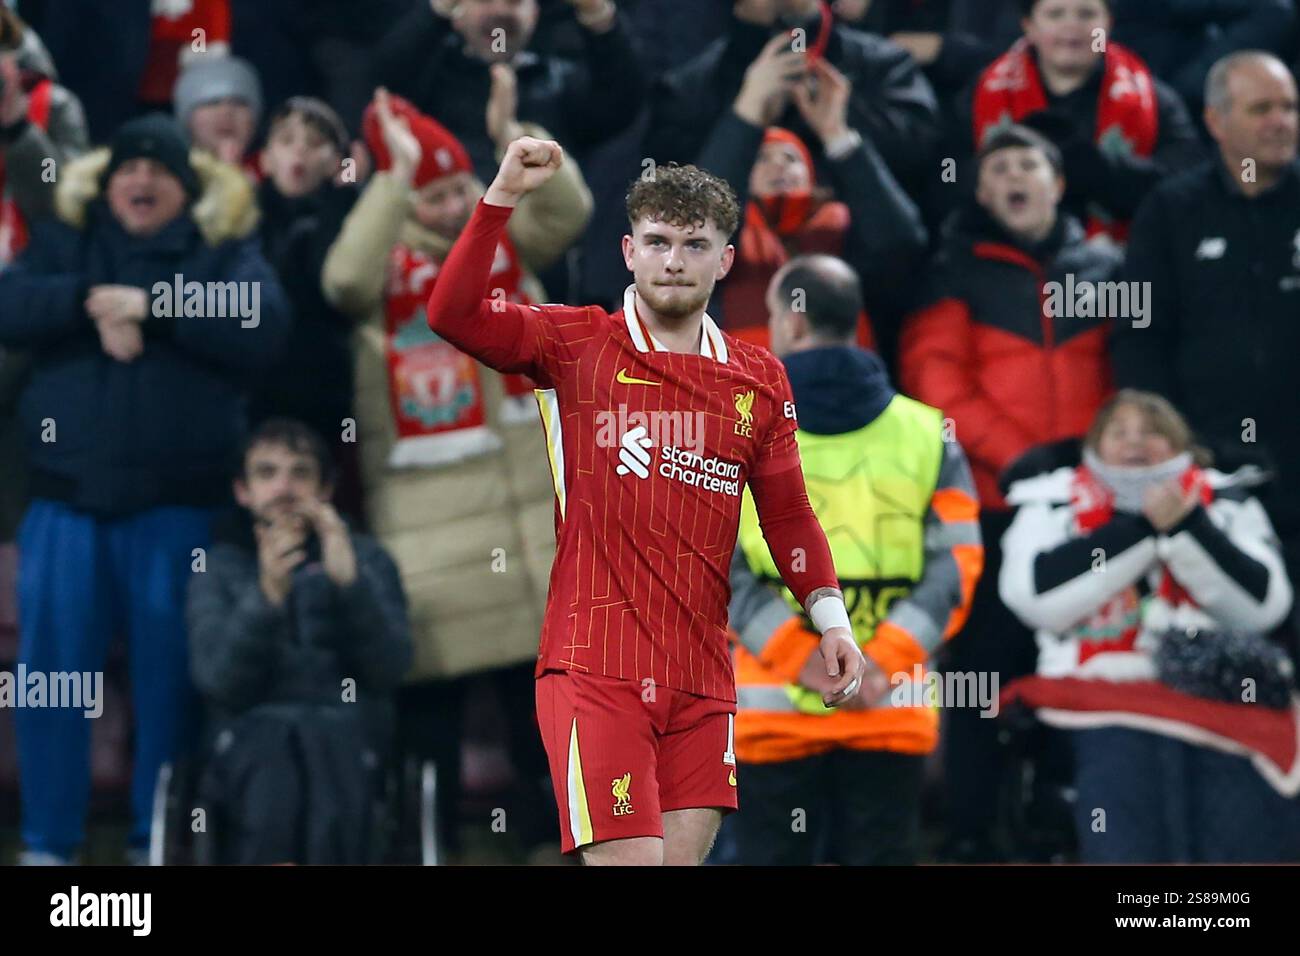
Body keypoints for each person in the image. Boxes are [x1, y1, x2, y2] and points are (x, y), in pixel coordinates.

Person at [426, 142, 867, 865]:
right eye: (658, 242)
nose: (673, 261)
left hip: (702, 678)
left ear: (725, 261)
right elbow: (452, 313)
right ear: (629, 251)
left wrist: (832, 620)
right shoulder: (574, 343)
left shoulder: (759, 378)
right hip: (596, 668)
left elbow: (788, 515)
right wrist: (501, 193)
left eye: (695, 245)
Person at [0, 112, 289, 865]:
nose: (141, 179)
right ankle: (47, 844)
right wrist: (90, 301)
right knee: (51, 685)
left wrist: (153, 308)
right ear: (106, 181)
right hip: (65, 506)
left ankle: (155, 842)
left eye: (160, 170)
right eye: (128, 167)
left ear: (186, 188)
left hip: (180, 513)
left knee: (171, 689)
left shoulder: (223, 248)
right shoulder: (63, 243)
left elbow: (263, 322)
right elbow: (8, 306)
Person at [321, 85, 591, 861]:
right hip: (431, 542)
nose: (445, 208)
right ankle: (424, 848)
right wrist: (388, 179)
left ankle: (555, 842)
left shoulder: (504, 247)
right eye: (428, 194)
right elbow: (340, 278)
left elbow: (567, 213)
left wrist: (516, 133)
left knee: (541, 709)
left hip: (529, 529)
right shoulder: (384, 275)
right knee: (430, 717)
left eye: (455, 191)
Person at [900, 123, 1117, 861]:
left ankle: (1062, 821)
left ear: (1058, 183)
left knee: (1077, 664)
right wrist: (1020, 460)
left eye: (1030, 162)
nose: (1014, 177)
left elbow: (1135, 377)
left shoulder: (1111, 268)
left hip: (1092, 512)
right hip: (990, 507)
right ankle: (967, 830)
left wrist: (1100, 470)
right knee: (980, 676)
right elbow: (935, 381)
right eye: (997, 169)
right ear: (981, 190)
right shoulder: (951, 268)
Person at [726, 254, 982, 865]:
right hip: (886, 706)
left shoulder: (737, 433)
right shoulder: (928, 433)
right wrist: (882, 664)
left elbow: (712, 568)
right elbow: (957, 567)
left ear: (791, 323)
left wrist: (800, 657)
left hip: (774, 706)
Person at [999, 390, 1299, 862]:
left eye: (1153, 431)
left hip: (1212, 689)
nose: (1136, 442)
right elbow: (1034, 598)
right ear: (1095, 446)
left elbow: (1264, 607)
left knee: (1239, 802)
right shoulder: (1051, 501)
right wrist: (1143, 529)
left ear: (1181, 443)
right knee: (1124, 784)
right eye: (1120, 432)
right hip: (1095, 691)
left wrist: (1189, 527)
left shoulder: (1228, 498)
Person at [1112, 51, 1300, 662]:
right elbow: (1139, 335)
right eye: (1262, 108)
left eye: (1290, 107)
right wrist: (1176, 450)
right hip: (1211, 470)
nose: (1281, 122)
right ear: (1217, 121)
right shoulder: (1171, 210)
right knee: (1236, 654)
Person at [186, 418, 412, 864]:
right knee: (272, 758)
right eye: (266, 473)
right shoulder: (217, 566)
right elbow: (219, 683)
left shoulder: (366, 558)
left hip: (345, 732)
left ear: (325, 489)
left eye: (300, 472)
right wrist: (266, 596)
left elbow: (391, 668)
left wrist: (350, 585)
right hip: (250, 739)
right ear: (242, 491)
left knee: (328, 748)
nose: (284, 487)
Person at [696, 42, 928, 354]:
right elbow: (698, 226)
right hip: (743, 395)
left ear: (812, 177)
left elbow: (901, 244)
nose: (778, 164)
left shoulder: (846, 231)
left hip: (837, 390)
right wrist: (748, 109)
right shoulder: (727, 245)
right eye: (762, 159)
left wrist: (837, 134)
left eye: (791, 158)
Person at [961, 0, 1201, 242]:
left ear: (1108, 23)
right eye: (1055, 14)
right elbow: (947, 174)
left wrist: (1097, 168)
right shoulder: (981, 92)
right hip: (997, 259)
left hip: (1122, 263)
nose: (1071, 25)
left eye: (1086, 13)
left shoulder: (1154, 98)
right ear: (1029, 26)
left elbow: (1186, 186)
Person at [648, 0, 942, 196]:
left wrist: (840, 124)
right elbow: (684, 213)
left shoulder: (883, 63)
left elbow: (920, 162)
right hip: (732, 274)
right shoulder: (688, 86)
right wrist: (745, 114)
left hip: (859, 270)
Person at [371, 0, 646, 184]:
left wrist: (598, 15)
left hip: (539, 249)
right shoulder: (430, 75)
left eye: (515, 1)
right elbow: (385, 82)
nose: (501, 10)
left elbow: (621, 103)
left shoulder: (557, 80)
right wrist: (435, 12)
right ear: (456, 13)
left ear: (534, 15)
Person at [249, 97, 357, 449]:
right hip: (258, 394)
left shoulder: (354, 218)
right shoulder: (240, 224)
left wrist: (344, 197)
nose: (299, 151)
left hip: (331, 394)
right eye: (286, 140)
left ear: (336, 164)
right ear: (264, 158)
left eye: (314, 143)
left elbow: (331, 287)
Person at [173, 54, 262, 169]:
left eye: (238, 102)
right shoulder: (164, 177)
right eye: (212, 102)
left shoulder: (280, 176)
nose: (226, 111)